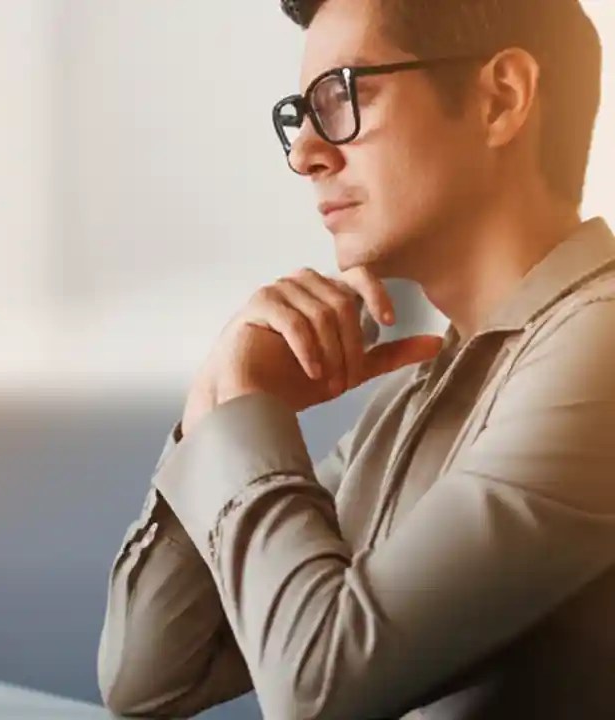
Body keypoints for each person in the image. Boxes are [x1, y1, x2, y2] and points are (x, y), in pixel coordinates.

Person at [97, 1, 612, 718]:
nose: (303, 154)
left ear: (501, 99)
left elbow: (319, 688)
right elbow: (149, 676)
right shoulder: (420, 394)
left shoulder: (599, 351)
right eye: (301, 115)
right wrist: (213, 405)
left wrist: (247, 404)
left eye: (343, 96)